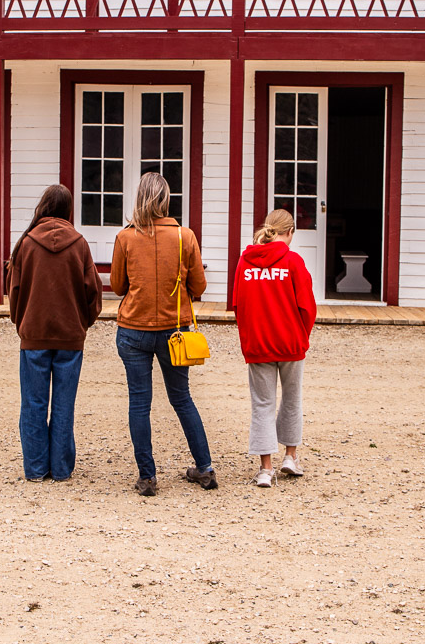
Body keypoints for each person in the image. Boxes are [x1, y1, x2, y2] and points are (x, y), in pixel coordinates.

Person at [110, 171, 218, 497]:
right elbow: (199, 286)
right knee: (182, 399)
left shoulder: (125, 238)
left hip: (133, 329)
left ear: (140, 197)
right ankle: (205, 467)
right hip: (174, 330)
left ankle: (147, 477)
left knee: (139, 403)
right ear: (166, 199)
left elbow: (117, 287)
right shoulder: (185, 236)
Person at [8, 184, 102, 482]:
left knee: (33, 403)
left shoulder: (26, 243)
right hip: (70, 336)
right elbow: (93, 292)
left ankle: (36, 469)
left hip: (34, 334)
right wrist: (82, 323)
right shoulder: (80, 243)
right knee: (64, 404)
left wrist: (21, 323)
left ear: (44, 206)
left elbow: (14, 289)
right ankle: (61, 469)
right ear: (67, 209)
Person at [232, 208, 317, 487]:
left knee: (262, 404)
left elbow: (238, 305)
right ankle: (290, 457)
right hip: (290, 342)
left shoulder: (245, 262)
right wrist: (301, 336)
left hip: (258, 343)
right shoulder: (293, 262)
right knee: (292, 399)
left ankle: (266, 468)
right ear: (290, 232)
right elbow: (307, 306)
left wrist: (248, 339)